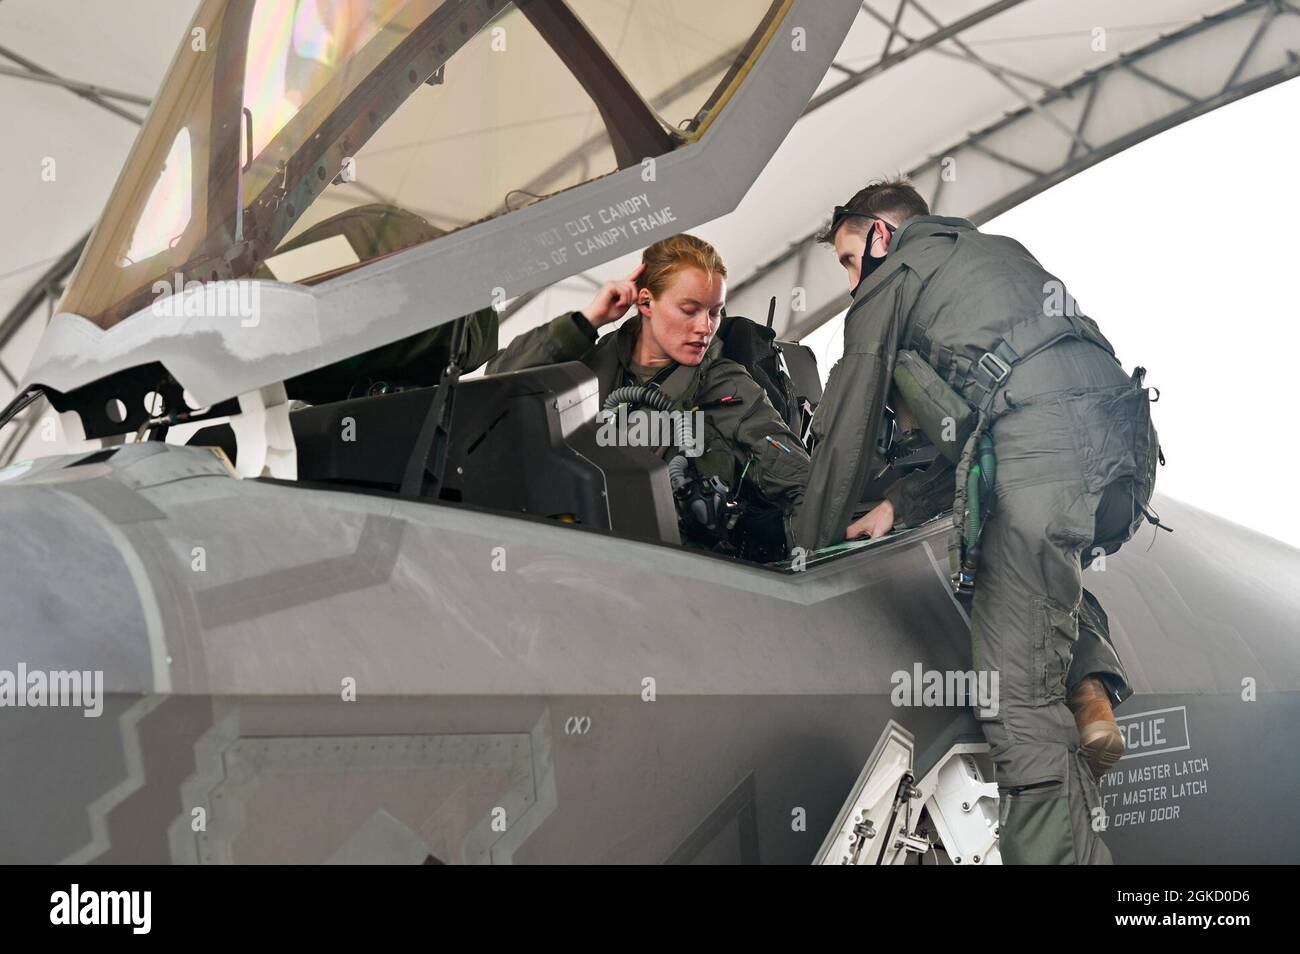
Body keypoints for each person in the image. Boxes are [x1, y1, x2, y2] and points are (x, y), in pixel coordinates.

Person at [797, 177, 1160, 864]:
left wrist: (804, 553)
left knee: (1016, 708)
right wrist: (898, 506)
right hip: (1124, 457)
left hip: (1041, 461)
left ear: (881, 235)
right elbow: (982, 416)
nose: (851, 286)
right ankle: (1086, 689)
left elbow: (846, 424)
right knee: (1024, 578)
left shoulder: (895, 274)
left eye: (849, 262)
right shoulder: (994, 255)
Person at [488, 234, 809, 554]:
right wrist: (587, 321)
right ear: (645, 303)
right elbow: (498, 379)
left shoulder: (729, 388)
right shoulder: (584, 369)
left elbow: (804, 484)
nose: (705, 327)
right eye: (689, 309)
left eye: (715, 312)